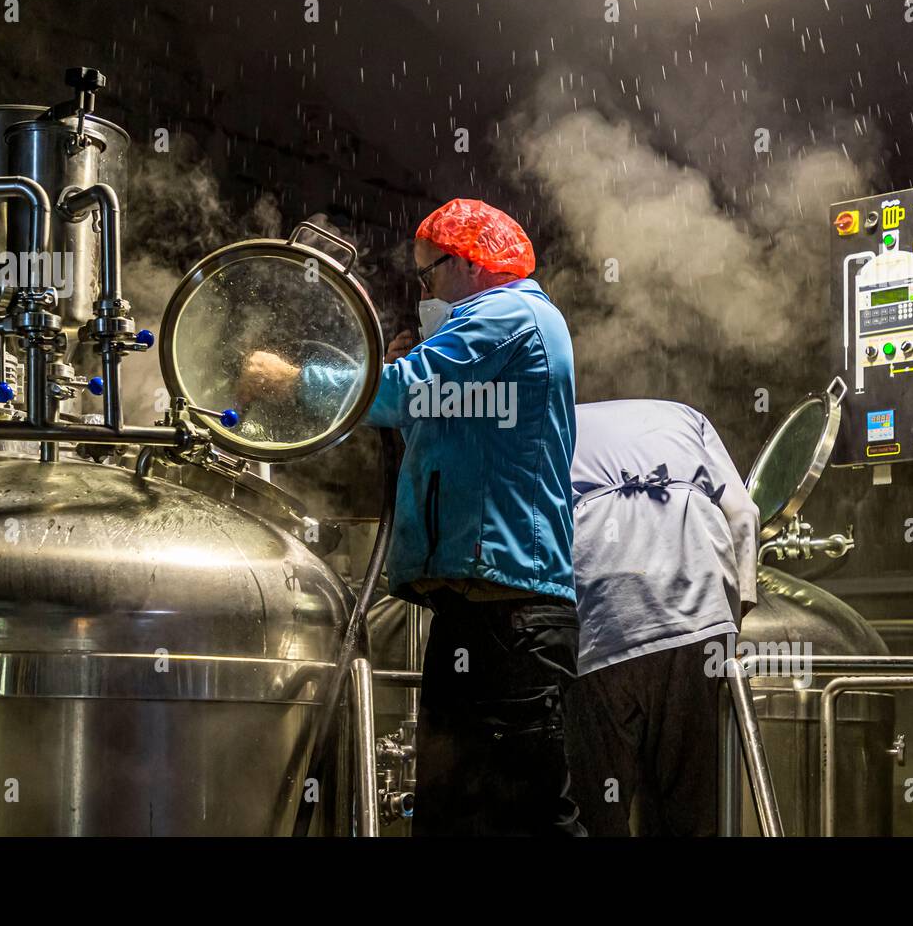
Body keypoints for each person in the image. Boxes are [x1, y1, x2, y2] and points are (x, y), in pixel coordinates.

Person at [242, 199, 583, 836]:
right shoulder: (496, 331)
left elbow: (403, 391)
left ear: (472, 264)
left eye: (428, 275)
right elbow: (433, 406)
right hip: (481, 610)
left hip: (510, 616)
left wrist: (293, 381)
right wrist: (406, 364)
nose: (423, 290)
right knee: (454, 814)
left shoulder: (509, 314)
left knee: (532, 817)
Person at [562, 399, 760, 836]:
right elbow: (745, 513)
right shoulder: (688, 418)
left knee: (598, 811)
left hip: (603, 624)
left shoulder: (558, 422)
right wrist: (733, 619)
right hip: (698, 615)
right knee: (691, 809)